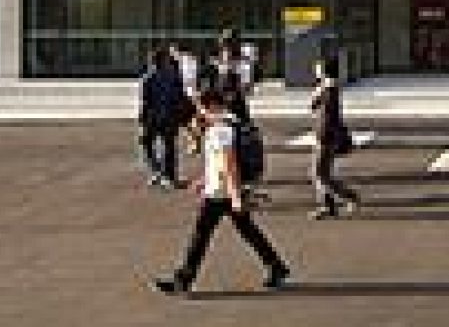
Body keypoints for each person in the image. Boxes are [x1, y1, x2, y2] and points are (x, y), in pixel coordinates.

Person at [153, 85, 290, 296]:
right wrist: (205, 179)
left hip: (220, 192)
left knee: (201, 236)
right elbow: (220, 162)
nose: (200, 112)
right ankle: (276, 267)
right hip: (221, 188)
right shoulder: (233, 122)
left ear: (213, 106)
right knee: (248, 231)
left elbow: (229, 163)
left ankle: (183, 281)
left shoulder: (220, 130)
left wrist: (234, 195)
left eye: (202, 108)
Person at [308, 55, 361, 219]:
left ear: (325, 70)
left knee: (320, 174)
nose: (315, 70)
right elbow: (313, 107)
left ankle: (350, 197)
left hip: (327, 136)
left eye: (318, 67)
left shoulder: (329, 88)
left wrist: (325, 137)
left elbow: (324, 113)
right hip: (323, 135)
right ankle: (327, 206)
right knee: (322, 173)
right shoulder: (326, 87)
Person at [139, 46, 192, 189]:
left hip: (158, 117)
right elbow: (180, 96)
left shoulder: (150, 77)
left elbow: (145, 101)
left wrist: (143, 120)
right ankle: (166, 175)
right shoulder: (169, 76)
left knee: (152, 144)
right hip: (166, 117)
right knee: (166, 146)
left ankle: (161, 173)